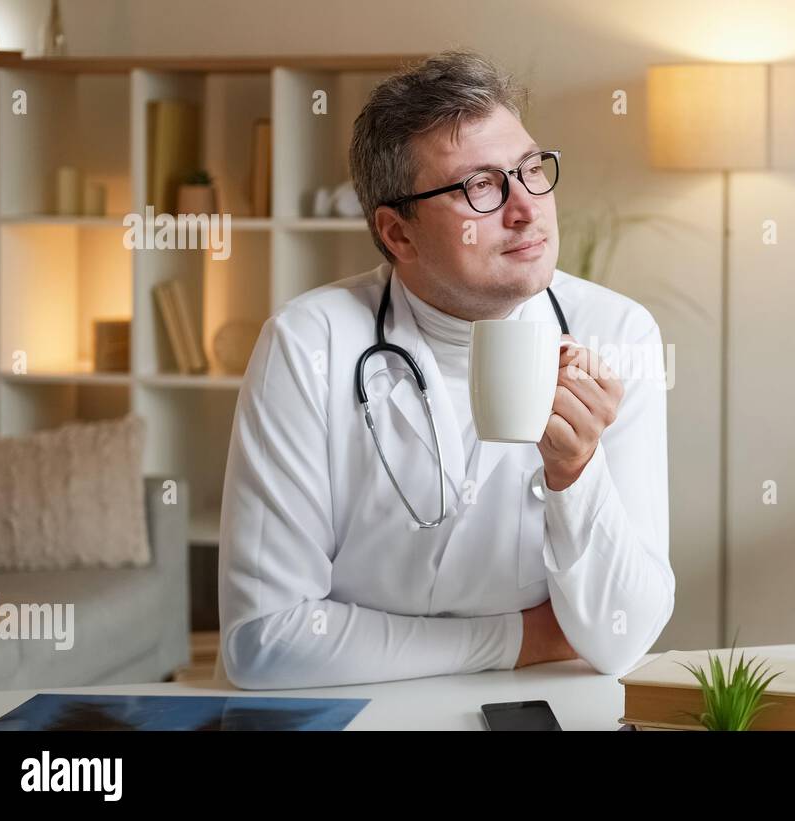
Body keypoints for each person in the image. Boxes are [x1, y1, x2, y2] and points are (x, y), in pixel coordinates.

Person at [217, 51, 673, 689]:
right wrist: (520, 636)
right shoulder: (306, 345)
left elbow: (621, 638)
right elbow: (264, 643)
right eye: (479, 187)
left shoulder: (618, 335)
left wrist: (576, 474)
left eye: (529, 169)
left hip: (536, 710)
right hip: (357, 714)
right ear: (398, 235)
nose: (525, 208)